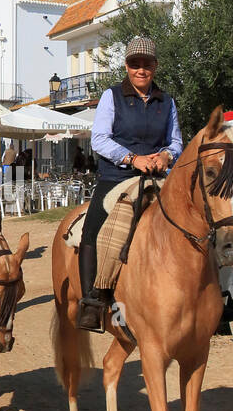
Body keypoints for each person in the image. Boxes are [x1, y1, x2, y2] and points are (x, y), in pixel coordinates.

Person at [77, 35, 184, 332]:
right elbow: (99, 139)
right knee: (91, 230)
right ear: (126, 66)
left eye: (146, 64)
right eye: (134, 64)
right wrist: (131, 159)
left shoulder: (167, 101)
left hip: (157, 177)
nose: (141, 70)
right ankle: (91, 302)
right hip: (118, 176)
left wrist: (166, 155)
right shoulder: (112, 97)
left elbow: (176, 142)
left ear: (155, 67)